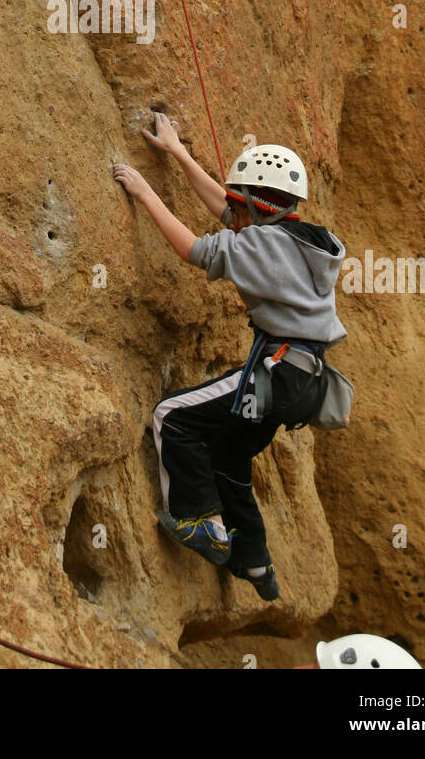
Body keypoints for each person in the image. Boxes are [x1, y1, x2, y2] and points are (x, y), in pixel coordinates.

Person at [113, 113, 346, 600]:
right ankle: (256, 564)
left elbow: (194, 250)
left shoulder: (260, 244)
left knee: (171, 415)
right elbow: (230, 209)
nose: (230, 213)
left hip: (276, 372)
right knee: (228, 456)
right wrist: (176, 152)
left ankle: (203, 525)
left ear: (257, 211)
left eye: (240, 207)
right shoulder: (302, 238)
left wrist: (144, 193)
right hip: (304, 381)